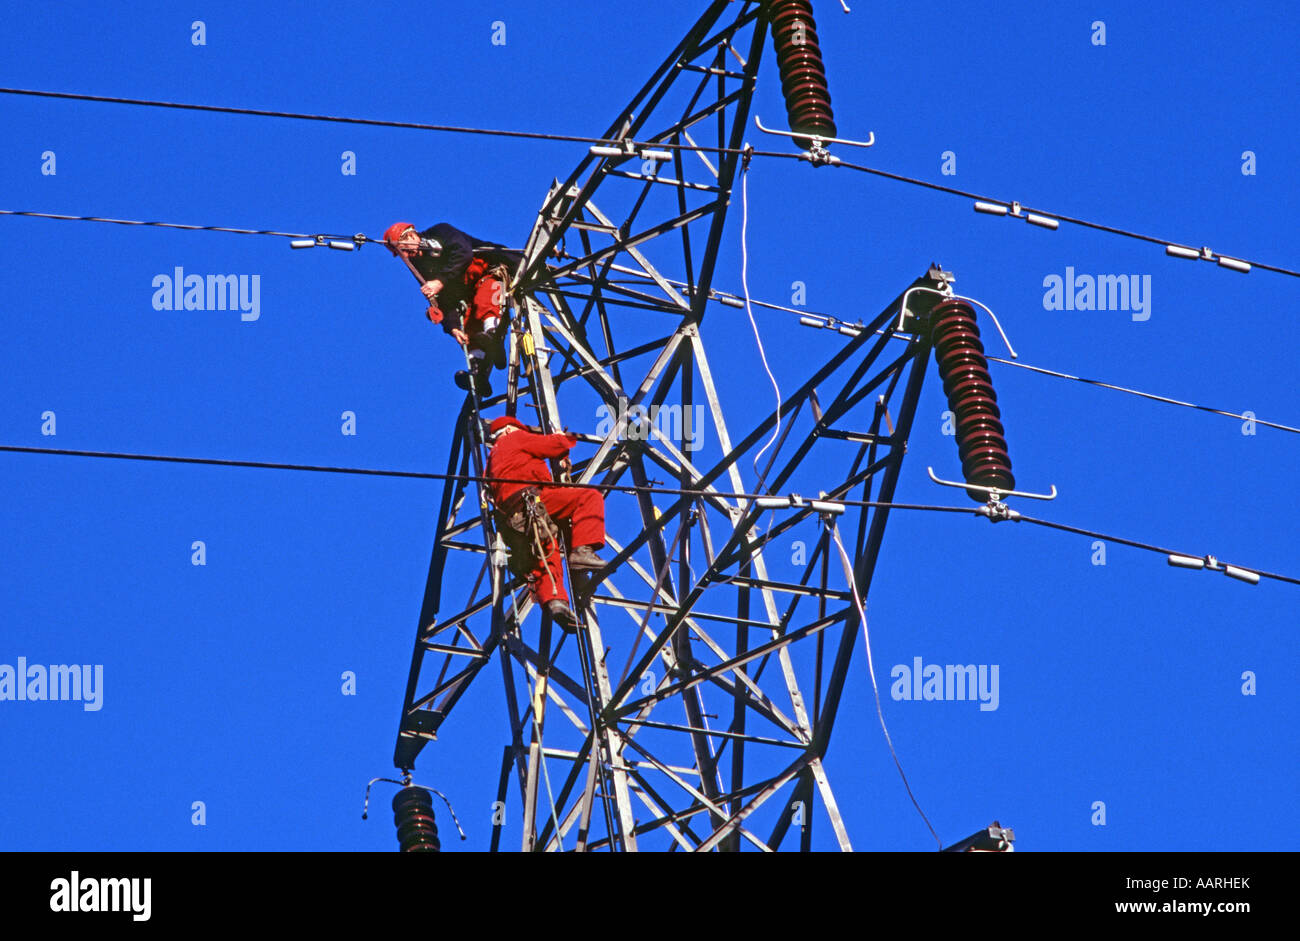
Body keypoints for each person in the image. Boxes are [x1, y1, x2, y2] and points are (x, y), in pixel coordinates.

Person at [485, 415, 606, 630]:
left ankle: (555, 603)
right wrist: (561, 438)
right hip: (533, 500)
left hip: (513, 521)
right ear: (510, 429)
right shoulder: (515, 438)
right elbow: (554, 446)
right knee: (588, 497)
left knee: (544, 554)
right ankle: (582, 551)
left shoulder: (491, 462)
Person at [383, 221, 517, 395]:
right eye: (403, 254)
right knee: (468, 322)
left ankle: (493, 334)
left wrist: (439, 281)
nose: (407, 255)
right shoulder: (420, 267)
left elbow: (464, 253)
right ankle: (477, 369)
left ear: (410, 235)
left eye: (405, 249)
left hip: (490, 270)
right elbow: (443, 300)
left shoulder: (440, 232)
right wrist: (452, 327)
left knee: (485, 298)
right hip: (467, 292)